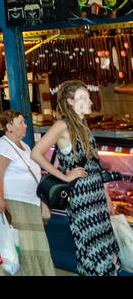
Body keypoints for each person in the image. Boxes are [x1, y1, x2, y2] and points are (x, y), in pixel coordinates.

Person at [31, 80, 119, 276]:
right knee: (90, 248)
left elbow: (94, 166)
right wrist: (64, 175)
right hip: (81, 199)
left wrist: (107, 198)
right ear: (70, 101)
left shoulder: (82, 125)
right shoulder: (62, 125)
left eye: (88, 97)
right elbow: (36, 153)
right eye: (83, 98)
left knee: (106, 247)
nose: (89, 102)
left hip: (96, 196)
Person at [0, 108, 54, 276]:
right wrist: (0, 199)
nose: (25, 126)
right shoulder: (2, 146)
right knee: (20, 245)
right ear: (9, 126)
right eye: (21, 123)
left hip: (31, 203)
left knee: (34, 245)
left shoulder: (24, 146)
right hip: (14, 204)